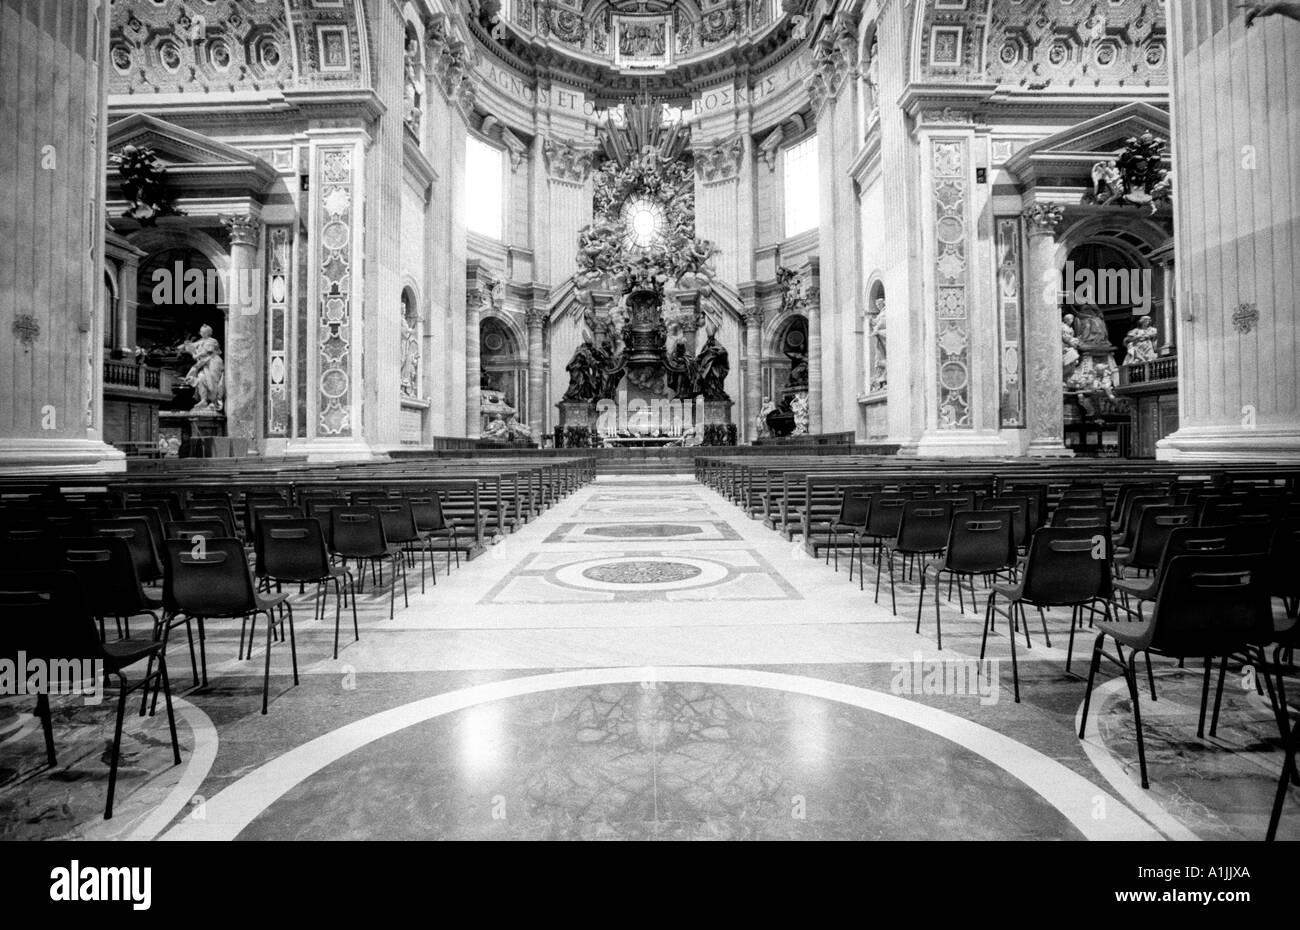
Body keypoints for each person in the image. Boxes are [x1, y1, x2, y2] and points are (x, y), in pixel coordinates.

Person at [184, 324, 224, 412]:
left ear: (208, 333)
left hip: (213, 363)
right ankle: (204, 400)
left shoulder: (212, 341)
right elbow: (190, 346)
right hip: (204, 364)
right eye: (201, 331)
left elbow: (206, 352)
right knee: (201, 378)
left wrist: (196, 355)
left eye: (203, 332)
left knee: (212, 382)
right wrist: (187, 345)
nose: (201, 333)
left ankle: (214, 401)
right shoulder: (201, 341)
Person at [693, 325, 730, 401]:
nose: (710, 339)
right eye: (709, 337)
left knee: (715, 383)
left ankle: (716, 393)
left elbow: (723, 353)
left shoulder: (718, 346)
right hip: (707, 371)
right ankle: (709, 394)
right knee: (708, 384)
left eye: (711, 337)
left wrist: (717, 354)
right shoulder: (706, 346)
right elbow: (701, 356)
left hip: (716, 369)